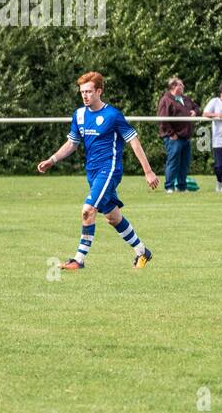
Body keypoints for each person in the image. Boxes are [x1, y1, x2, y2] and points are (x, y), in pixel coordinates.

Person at [38, 71, 159, 270]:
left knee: (87, 211)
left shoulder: (112, 115)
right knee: (112, 217)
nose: (85, 95)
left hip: (109, 170)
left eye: (89, 91)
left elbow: (133, 141)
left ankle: (79, 259)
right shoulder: (79, 115)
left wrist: (148, 171)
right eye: (82, 92)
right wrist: (52, 159)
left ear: (99, 91)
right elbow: (72, 143)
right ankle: (142, 251)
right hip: (92, 173)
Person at [157, 77, 200, 194]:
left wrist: (194, 112)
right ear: (173, 87)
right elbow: (163, 120)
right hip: (174, 137)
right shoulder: (166, 100)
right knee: (173, 162)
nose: (183, 87)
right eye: (181, 85)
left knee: (184, 163)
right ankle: (169, 186)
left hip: (186, 137)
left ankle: (182, 186)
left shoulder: (186, 99)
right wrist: (172, 133)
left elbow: (196, 107)